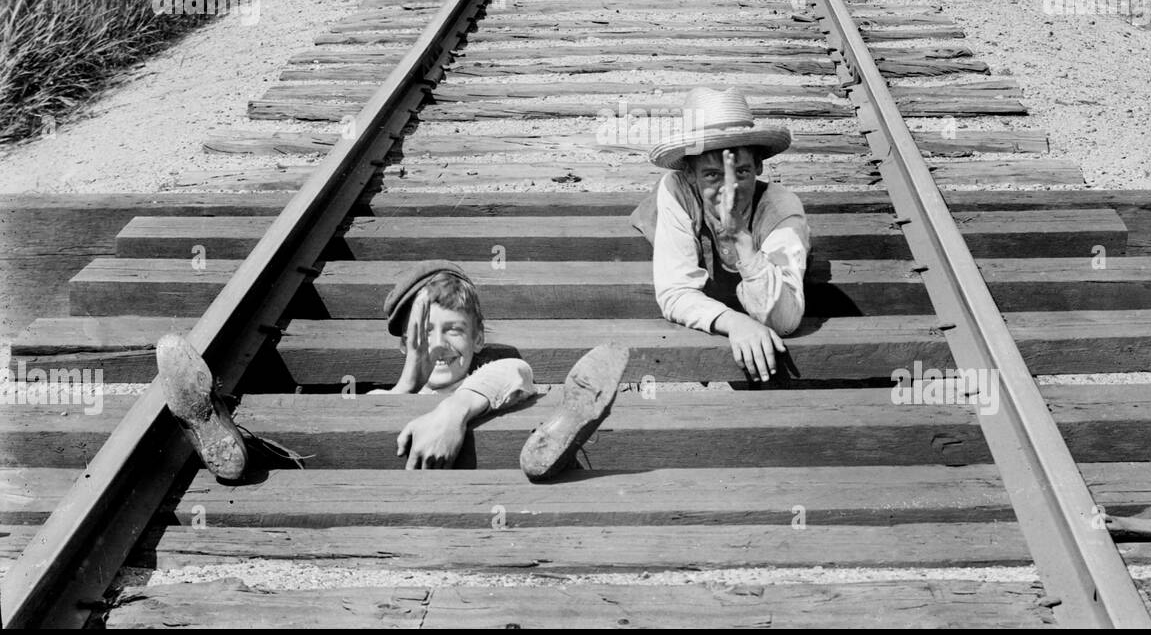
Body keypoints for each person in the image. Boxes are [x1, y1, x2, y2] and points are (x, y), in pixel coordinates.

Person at [157, 260, 628, 483]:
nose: (439, 344)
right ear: (405, 345)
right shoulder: (382, 398)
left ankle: (557, 435)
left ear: (478, 339)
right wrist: (406, 387)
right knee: (317, 435)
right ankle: (220, 434)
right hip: (373, 485)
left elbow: (517, 371)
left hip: (501, 481)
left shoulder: (489, 374)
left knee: (531, 452)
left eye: (454, 330)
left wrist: (453, 413)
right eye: (424, 333)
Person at [630, 86, 811, 383]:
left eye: (741, 172)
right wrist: (735, 322)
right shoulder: (676, 191)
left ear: (759, 166)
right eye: (713, 175)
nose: (730, 189)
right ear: (690, 174)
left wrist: (742, 237)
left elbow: (785, 322)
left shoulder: (781, 210)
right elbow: (675, 291)